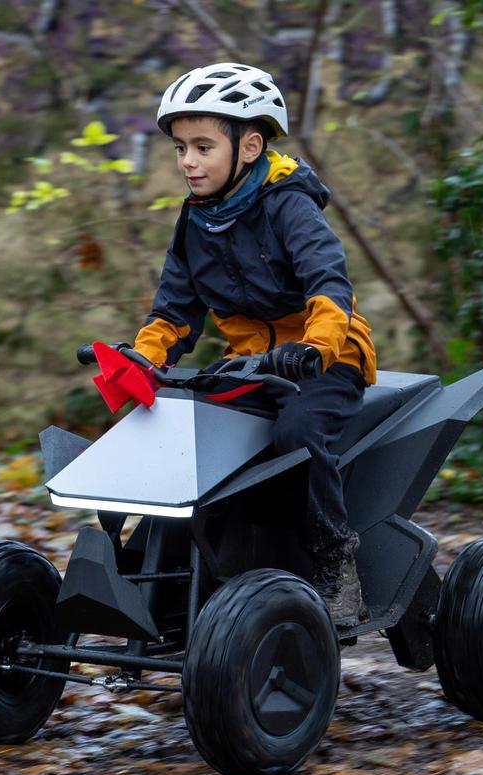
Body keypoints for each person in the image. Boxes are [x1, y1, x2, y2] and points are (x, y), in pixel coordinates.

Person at [130, 62, 378, 629]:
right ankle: (163, 572)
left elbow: (329, 283)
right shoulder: (196, 221)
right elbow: (174, 309)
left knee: (295, 433)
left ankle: (336, 565)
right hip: (248, 365)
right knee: (179, 428)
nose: (187, 161)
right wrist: (146, 356)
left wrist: (315, 346)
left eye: (202, 146)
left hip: (325, 361)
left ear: (249, 146)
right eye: (179, 148)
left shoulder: (289, 204)